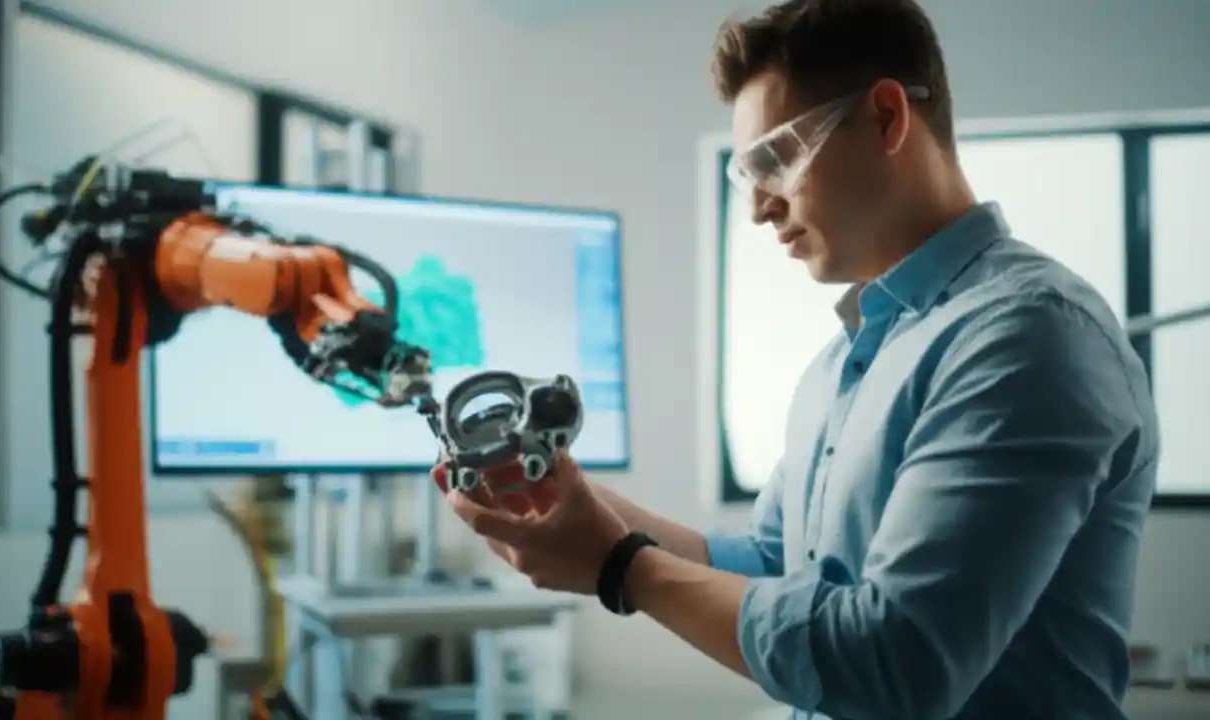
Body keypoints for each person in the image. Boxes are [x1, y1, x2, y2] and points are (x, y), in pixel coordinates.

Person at [432, 0, 1160, 717]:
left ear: (886, 117)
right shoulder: (845, 361)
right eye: (745, 178)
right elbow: (777, 569)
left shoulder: (1026, 337)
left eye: (777, 158)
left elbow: (897, 663)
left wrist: (621, 567)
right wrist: (583, 508)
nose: (759, 208)